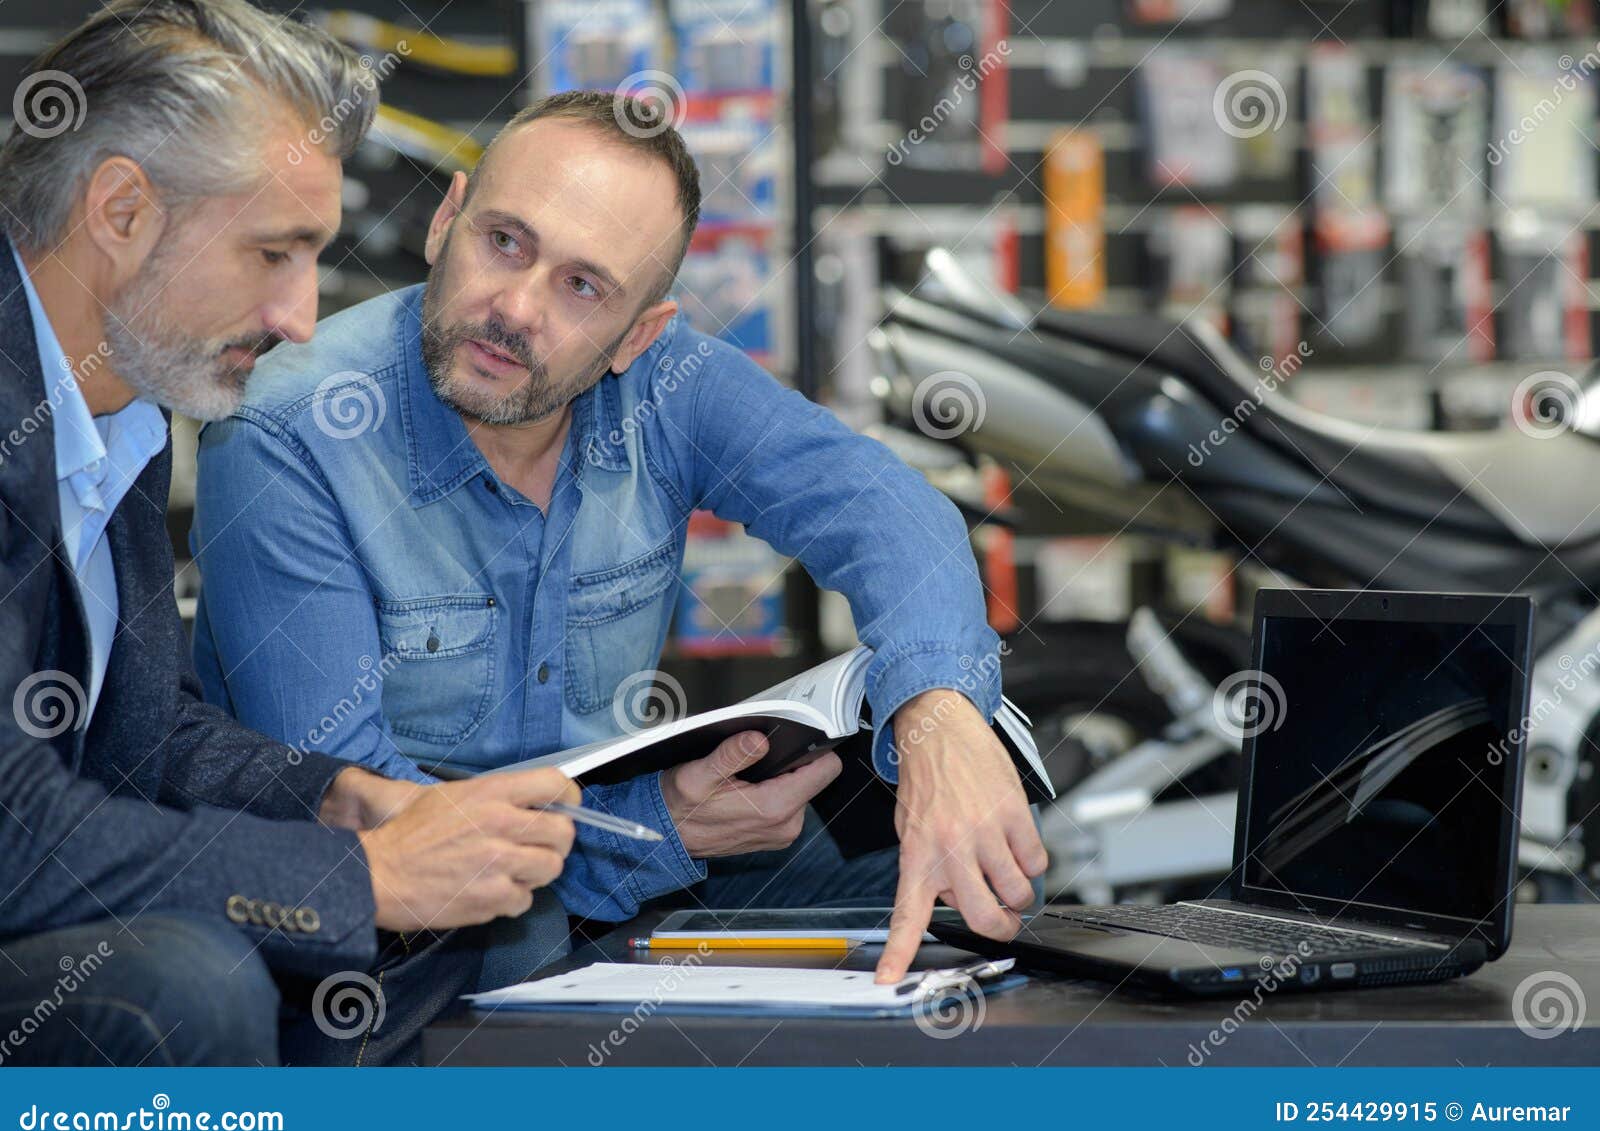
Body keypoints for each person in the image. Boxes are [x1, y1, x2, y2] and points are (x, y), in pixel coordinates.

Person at [191, 90, 1048, 986]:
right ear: (447, 221)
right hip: (394, 912)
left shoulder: (672, 386)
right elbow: (355, 808)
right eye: (505, 241)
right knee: (510, 936)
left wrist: (940, 714)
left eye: (582, 286)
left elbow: (885, 510)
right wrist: (655, 830)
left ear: (637, 336)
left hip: (600, 855)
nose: (516, 307)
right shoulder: (287, 431)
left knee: (953, 869)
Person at [0, 0, 580, 1066]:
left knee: (466, 929)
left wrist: (325, 797)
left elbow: (137, 730)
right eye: (274, 252)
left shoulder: (125, 390)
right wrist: (363, 878)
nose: (301, 317)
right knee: (185, 983)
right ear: (121, 211)